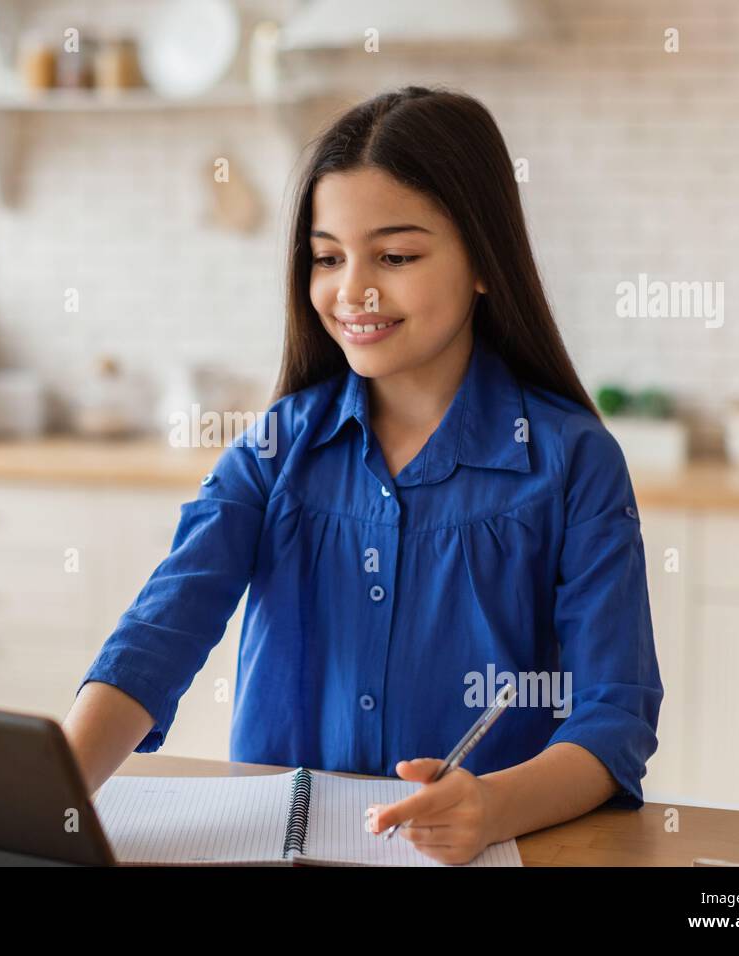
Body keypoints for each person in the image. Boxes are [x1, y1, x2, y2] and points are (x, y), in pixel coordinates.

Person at [63, 85, 663, 865]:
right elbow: (160, 633)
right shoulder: (276, 447)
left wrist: (491, 806)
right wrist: (55, 797)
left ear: (484, 260)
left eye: (396, 256)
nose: (353, 291)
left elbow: (615, 716)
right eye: (327, 257)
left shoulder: (574, 462)